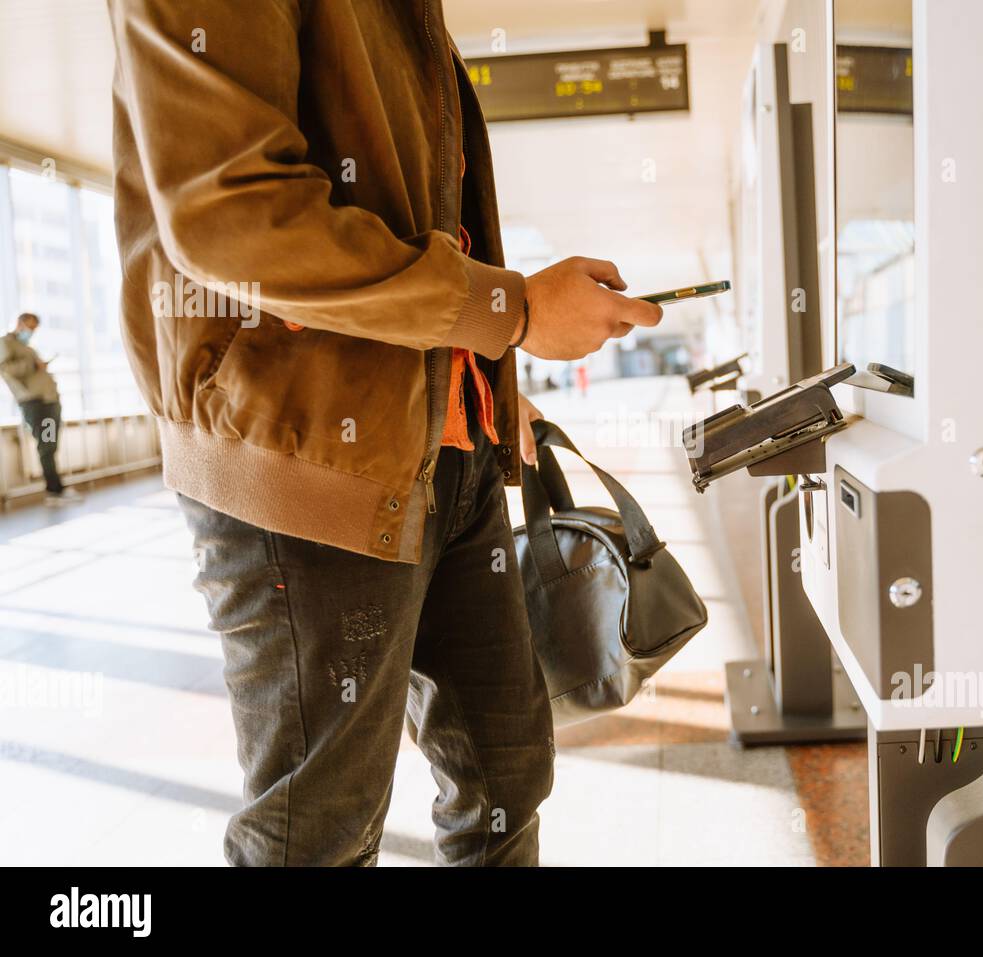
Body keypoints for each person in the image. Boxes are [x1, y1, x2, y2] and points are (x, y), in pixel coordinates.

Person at [108, 0, 662, 867]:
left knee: (507, 779)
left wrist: (480, 377)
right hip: (305, 455)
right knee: (317, 834)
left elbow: (409, 214)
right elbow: (234, 212)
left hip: (449, 453)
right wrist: (510, 309)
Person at [0, 313, 82, 506]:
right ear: (19, 323)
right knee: (46, 446)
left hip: (49, 399)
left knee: (50, 445)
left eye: (34, 328)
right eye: (29, 326)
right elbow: (5, 369)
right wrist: (32, 364)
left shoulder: (27, 347)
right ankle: (54, 491)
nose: (31, 331)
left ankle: (57, 489)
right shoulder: (5, 343)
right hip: (35, 402)